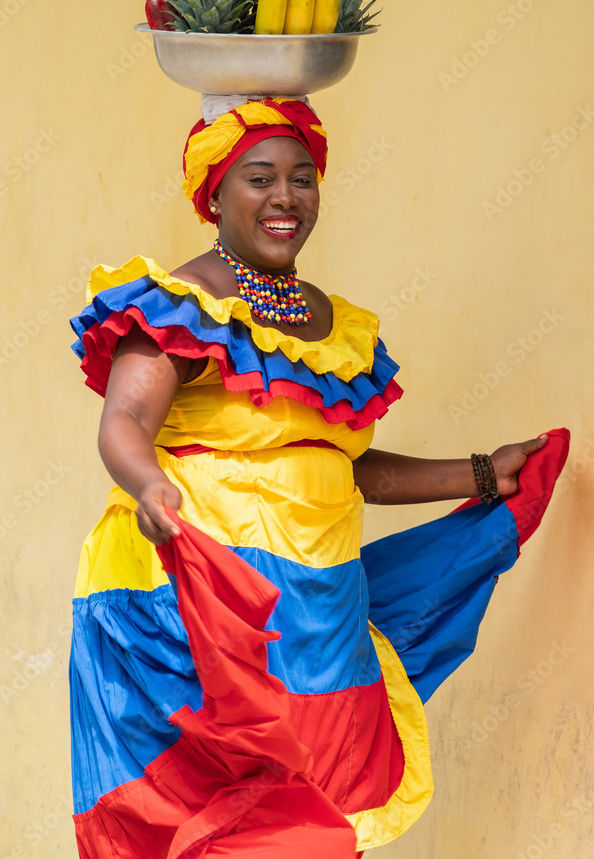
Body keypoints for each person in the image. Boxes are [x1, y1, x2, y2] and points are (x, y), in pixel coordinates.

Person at [68, 96, 568, 859]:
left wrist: (477, 475)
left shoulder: (336, 325)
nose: (285, 197)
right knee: (209, 819)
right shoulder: (179, 304)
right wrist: (148, 486)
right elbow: (125, 421)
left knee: (315, 811)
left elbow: (343, 467)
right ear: (214, 195)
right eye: (259, 178)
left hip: (317, 602)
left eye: (301, 179)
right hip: (198, 594)